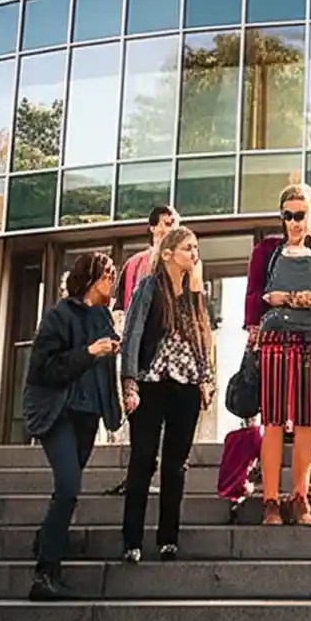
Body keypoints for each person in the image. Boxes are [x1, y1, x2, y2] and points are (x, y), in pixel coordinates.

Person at [21, 252, 124, 600]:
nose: (114, 283)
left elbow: (106, 369)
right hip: (58, 413)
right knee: (68, 486)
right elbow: (42, 370)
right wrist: (89, 352)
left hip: (87, 415)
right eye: (109, 276)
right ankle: (44, 575)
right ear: (93, 280)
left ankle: (45, 538)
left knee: (69, 485)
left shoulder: (103, 317)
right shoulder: (58, 315)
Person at [119, 227, 215, 563]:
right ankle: (132, 539)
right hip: (151, 382)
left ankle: (168, 539)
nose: (194, 253)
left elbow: (203, 339)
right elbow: (132, 334)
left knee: (176, 464)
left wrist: (206, 379)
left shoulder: (195, 293)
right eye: (188, 247)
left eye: (196, 248)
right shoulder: (149, 286)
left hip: (185, 385)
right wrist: (129, 381)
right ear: (168, 253)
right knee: (143, 458)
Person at [244, 183, 311, 527]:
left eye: (301, 215)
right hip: (273, 339)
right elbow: (256, 293)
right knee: (271, 420)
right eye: (289, 216)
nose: (295, 222)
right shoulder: (267, 250)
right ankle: (269, 499)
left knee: (306, 420)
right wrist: (255, 325)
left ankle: (300, 497)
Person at [104, 205, 177, 496]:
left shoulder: (183, 264)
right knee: (137, 415)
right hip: (139, 352)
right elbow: (121, 309)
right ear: (153, 228)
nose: (170, 228)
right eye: (166, 223)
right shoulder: (136, 264)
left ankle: (153, 474)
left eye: (174, 223)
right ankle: (136, 475)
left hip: (169, 355)